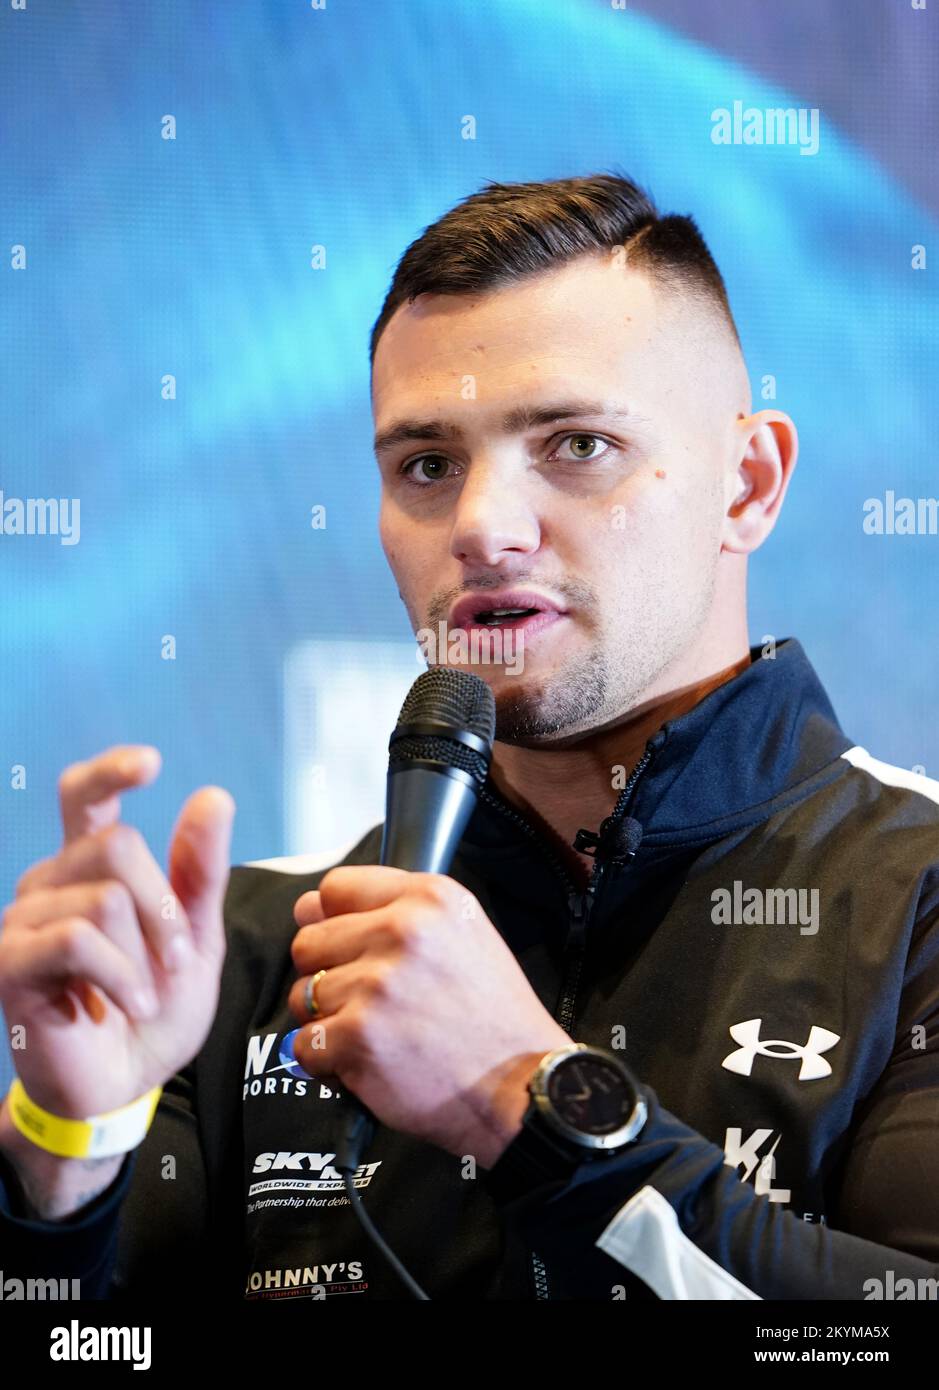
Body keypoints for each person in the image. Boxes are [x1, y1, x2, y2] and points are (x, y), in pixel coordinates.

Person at [1, 173, 937, 1302]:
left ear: (748, 484)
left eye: (577, 444)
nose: (484, 527)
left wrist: (531, 1100)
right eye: (429, 465)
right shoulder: (253, 951)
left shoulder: (917, 898)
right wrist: (66, 1161)